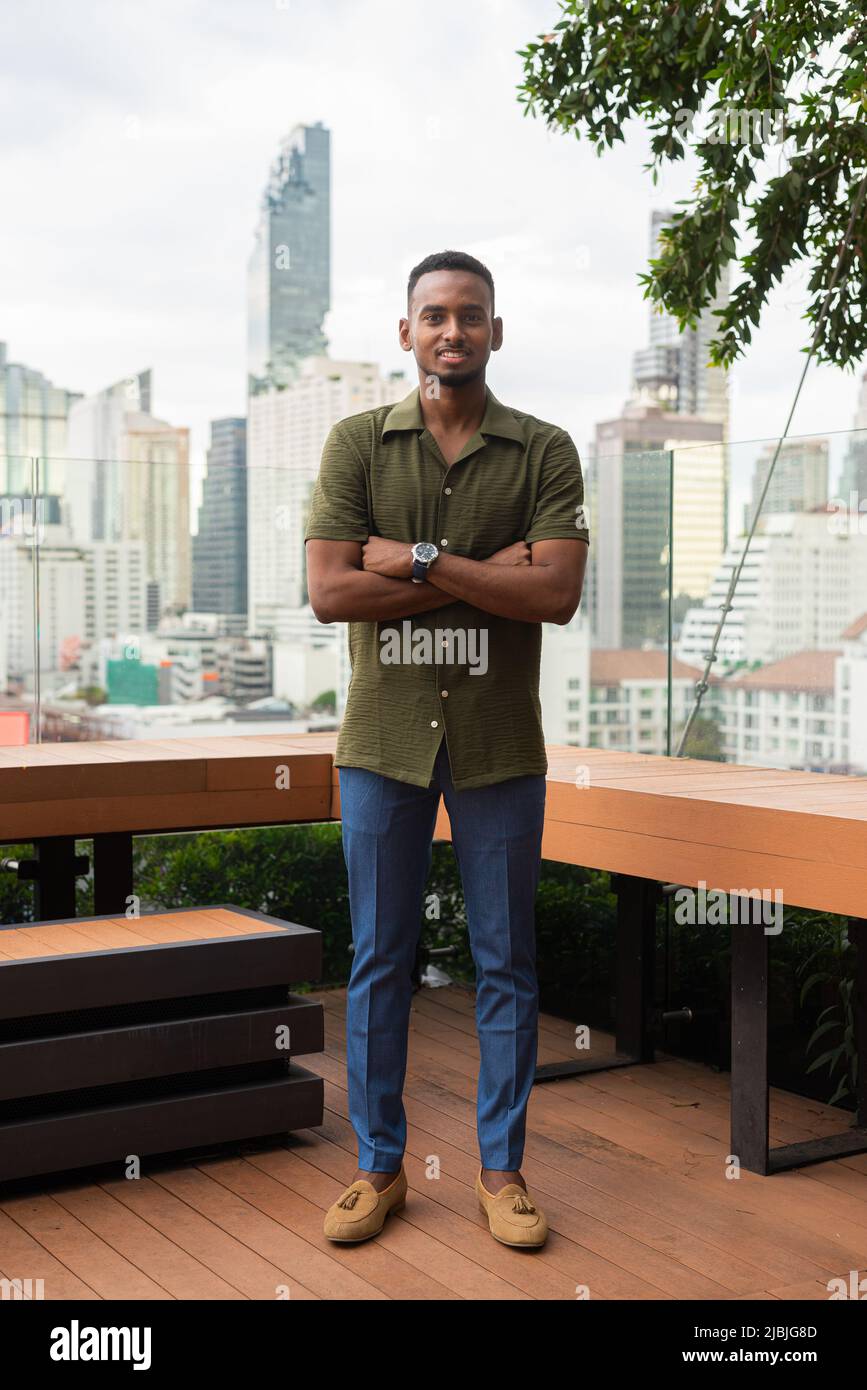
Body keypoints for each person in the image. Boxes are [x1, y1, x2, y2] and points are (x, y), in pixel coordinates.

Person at [305, 249, 589, 1247]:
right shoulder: (355, 443)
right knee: (380, 959)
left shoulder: (544, 450)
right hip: (381, 742)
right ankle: (378, 1169)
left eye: (471, 315)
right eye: (434, 315)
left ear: (495, 332)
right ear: (406, 331)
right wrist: (478, 572)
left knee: (506, 961)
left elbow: (554, 593)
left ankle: (502, 1171)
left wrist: (416, 559)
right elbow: (332, 590)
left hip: (500, 743)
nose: (452, 331)